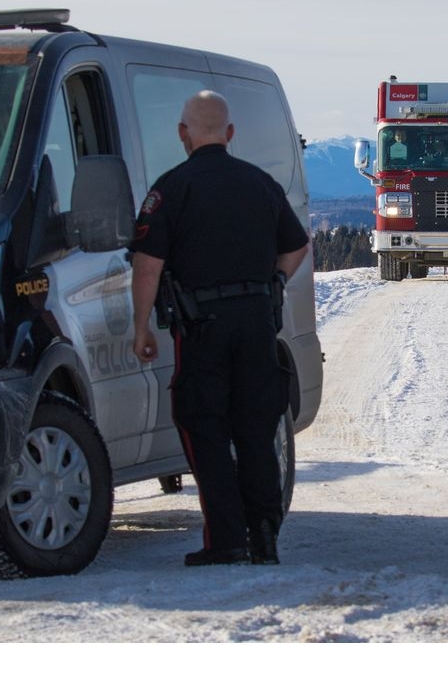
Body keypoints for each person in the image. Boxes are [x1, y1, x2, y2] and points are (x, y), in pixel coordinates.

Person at [130, 90, 310, 567]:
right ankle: (265, 535)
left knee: (205, 427)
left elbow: (148, 266)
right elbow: (297, 246)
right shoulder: (260, 183)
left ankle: (225, 540)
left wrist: (141, 326)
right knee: (255, 427)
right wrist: (273, 281)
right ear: (230, 134)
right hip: (256, 323)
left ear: (182, 134)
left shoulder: (171, 189)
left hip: (202, 328)